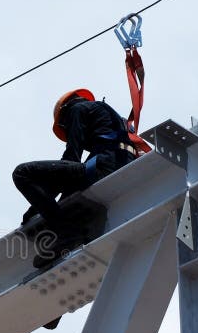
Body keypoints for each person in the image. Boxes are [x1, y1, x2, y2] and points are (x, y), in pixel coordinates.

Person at [13, 88, 143, 267]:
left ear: (64, 117)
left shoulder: (76, 110)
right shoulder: (107, 118)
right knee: (65, 199)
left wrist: (37, 204)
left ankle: (66, 233)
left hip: (104, 167)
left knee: (22, 173)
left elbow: (71, 157)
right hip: (118, 165)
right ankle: (72, 233)